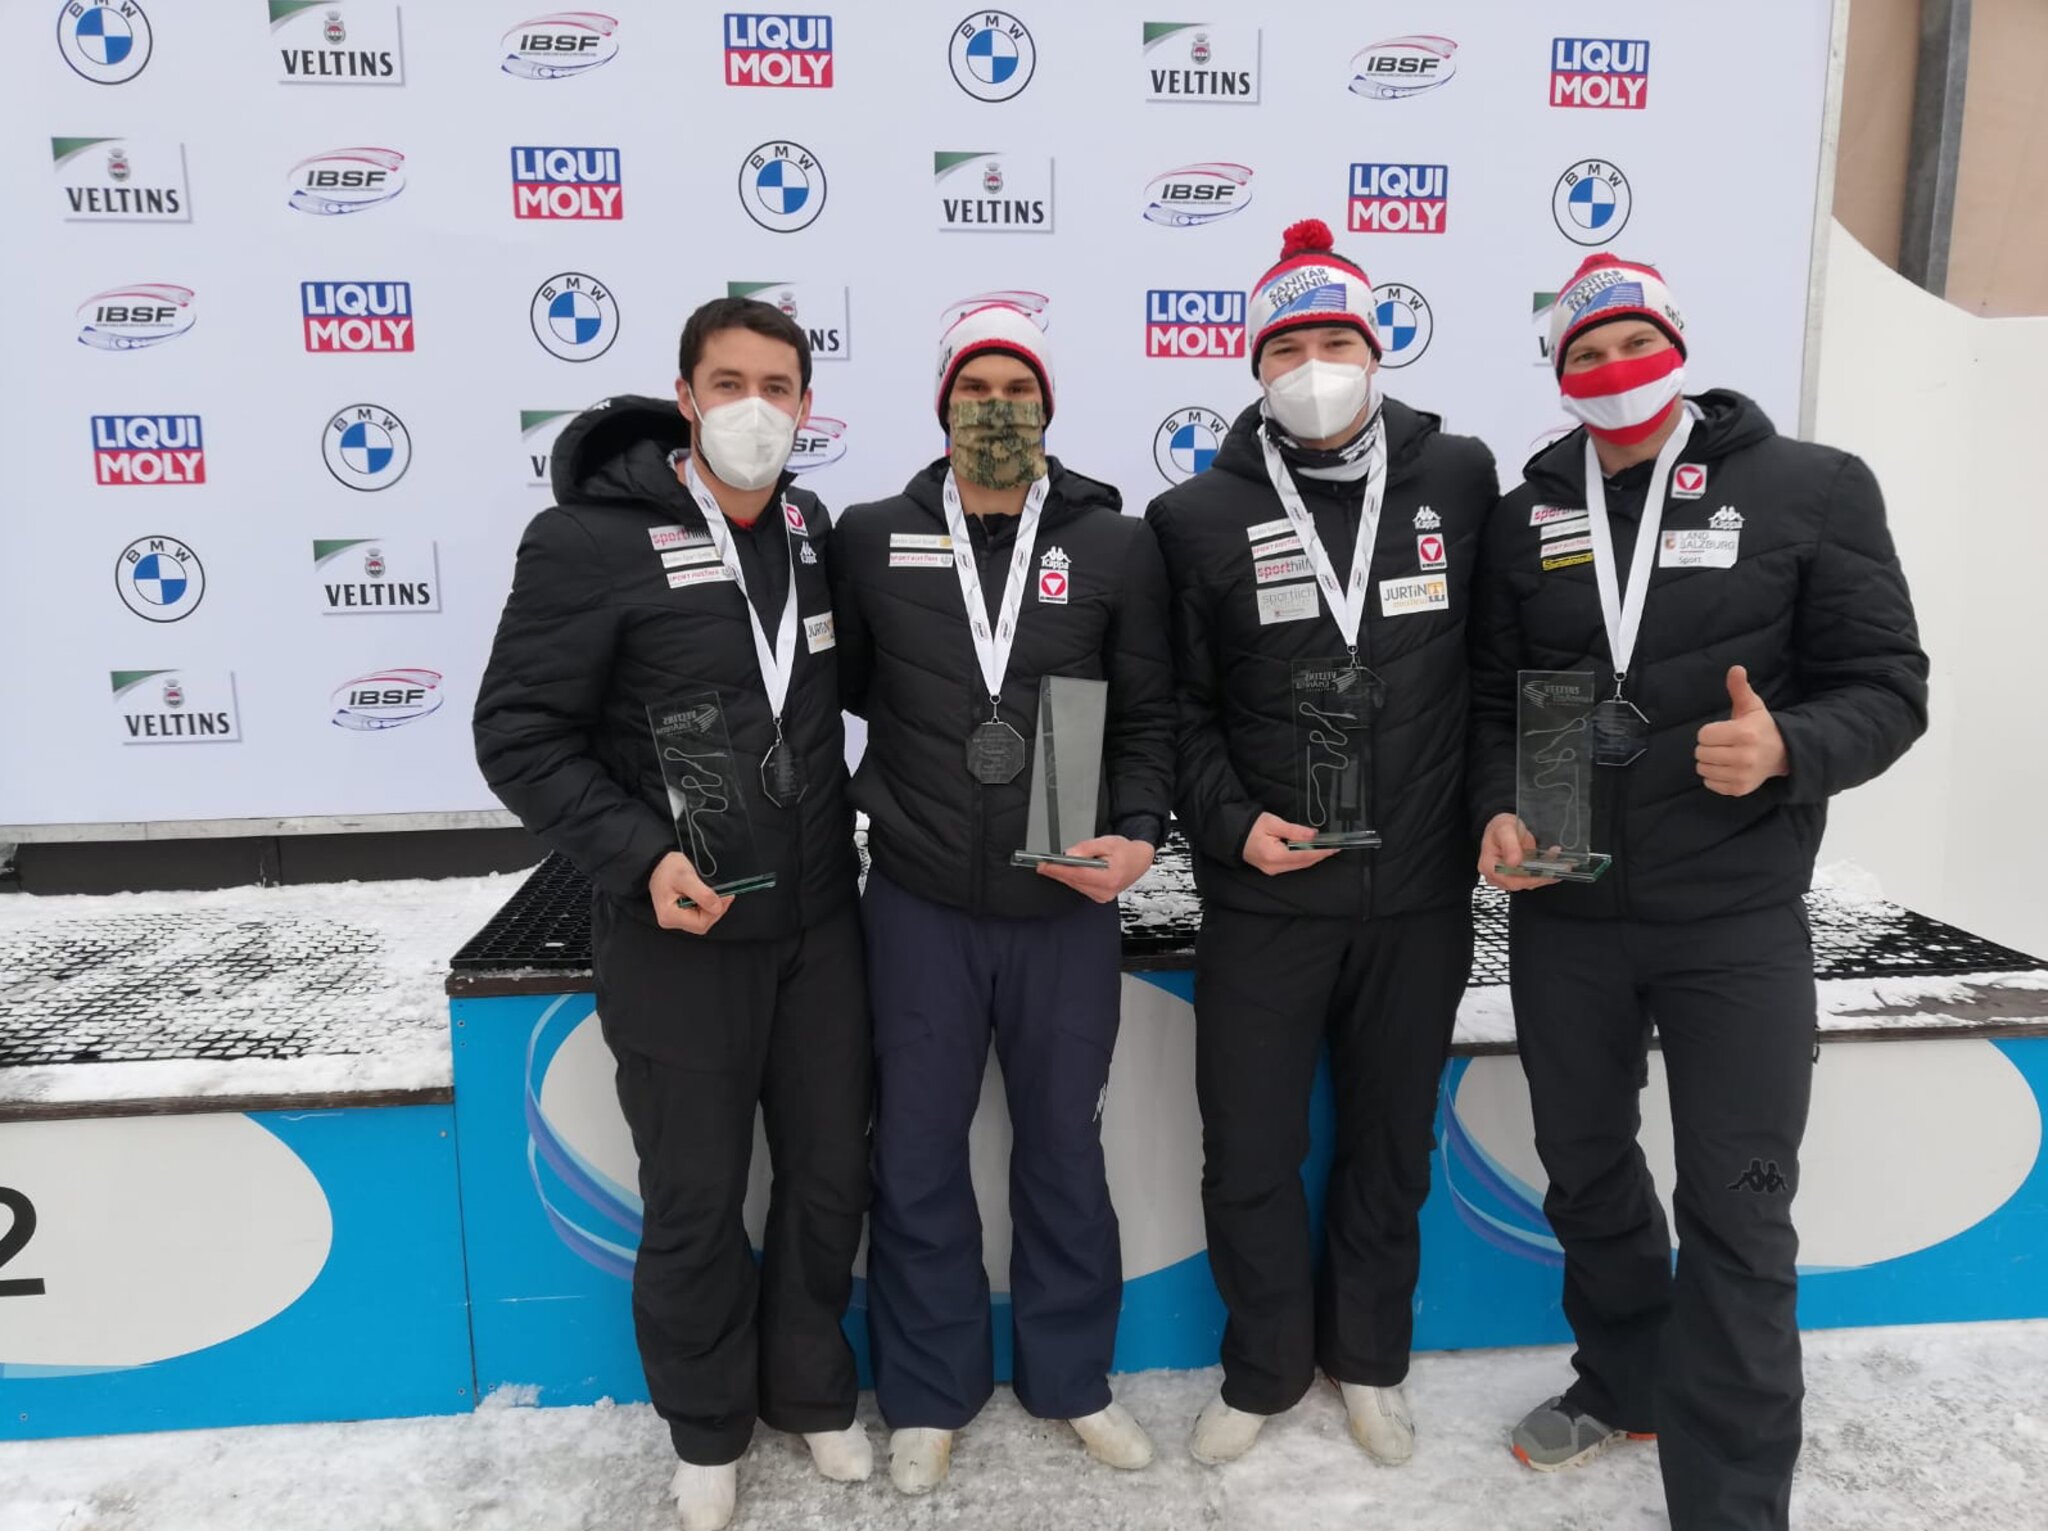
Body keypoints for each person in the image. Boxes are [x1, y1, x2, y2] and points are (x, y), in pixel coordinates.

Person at [1471, 254, 1929, 1530]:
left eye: (1631, 341)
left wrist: (1789, 748)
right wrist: (1491, 812)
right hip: (1565, 909)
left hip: (1730, 918)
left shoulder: (1811, 488)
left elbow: (1887, 684)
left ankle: (1728, 1504)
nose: (1610, 371)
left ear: (1675, 343)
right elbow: (1493, 709)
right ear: (1557, 375)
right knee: (1582, 1168)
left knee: (1735, 1203)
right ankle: (1624, 1378)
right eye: (1584, 353)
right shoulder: (1524, 517)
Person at [473, 298, 871, 1531]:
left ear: (806, 405)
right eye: (729, 381)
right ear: (686, 396)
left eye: (780, 384)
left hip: (814, 927)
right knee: (696, 1195)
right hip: (676, 934)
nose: (757, 405)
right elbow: (517, 734)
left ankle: (807, 1391)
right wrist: (639, 856)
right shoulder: (584, 541)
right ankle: (705, 1426)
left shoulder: (808, 531)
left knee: (821, 1178)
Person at [1144, 219, 1499, 1468]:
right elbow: (1169, 709)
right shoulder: (1191, 513)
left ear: (1375, 344)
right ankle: (1260, 1367)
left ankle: (1370, 1362)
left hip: (1416, 896)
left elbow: (1499, 671)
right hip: (1267, 899)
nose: (1311, 364)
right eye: (1285, 344)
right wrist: (1232, 826)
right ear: (1253, 365)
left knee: (1387, 1143)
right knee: (1247, 1146)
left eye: (1334, 339)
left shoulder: (1459, 478)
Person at [829, 300, 1177, 1495]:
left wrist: (1136, 832)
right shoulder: (872, 535)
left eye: (1016, 389)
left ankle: (1071, 1377)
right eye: (974, 387)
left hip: (1062, 903)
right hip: (919, 899)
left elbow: (1142, 717)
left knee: (1062, 1152)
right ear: (940, 406)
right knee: (917, 1153)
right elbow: (862, 689)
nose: (996, 408)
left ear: (1047, 408)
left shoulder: (1114, 542)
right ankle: (927, 1393)